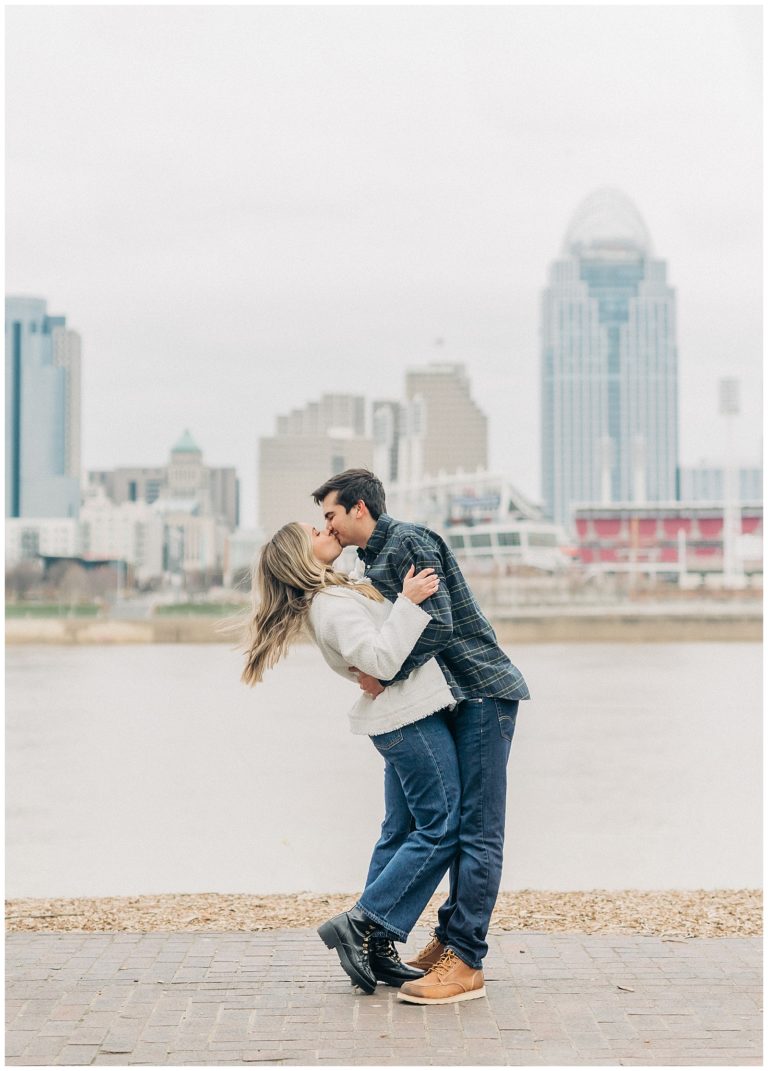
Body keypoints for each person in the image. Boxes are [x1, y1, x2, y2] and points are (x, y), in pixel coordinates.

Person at [312, 468, 530, 1006]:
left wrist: (385, 676)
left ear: (359, 508)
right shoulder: (367, 561)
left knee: (477, 831)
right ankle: (446, 939)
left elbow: (440, 623)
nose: (328, 525)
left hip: (480, 690)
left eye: (331, 514)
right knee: (447, 824)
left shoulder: (409, 541)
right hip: (449, 698)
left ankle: (467, 959)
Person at [241, 521, 467, 997]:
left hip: (398, 719)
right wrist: (409, 603)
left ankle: (375, 946)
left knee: (400, 831)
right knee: (442, 826)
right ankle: (364, 922)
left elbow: (375, 656)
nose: (325, 528)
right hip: (409, 719)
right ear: (302, 555)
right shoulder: (330, 605)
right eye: (314, 531)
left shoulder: (337, 594)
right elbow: (380, 660)